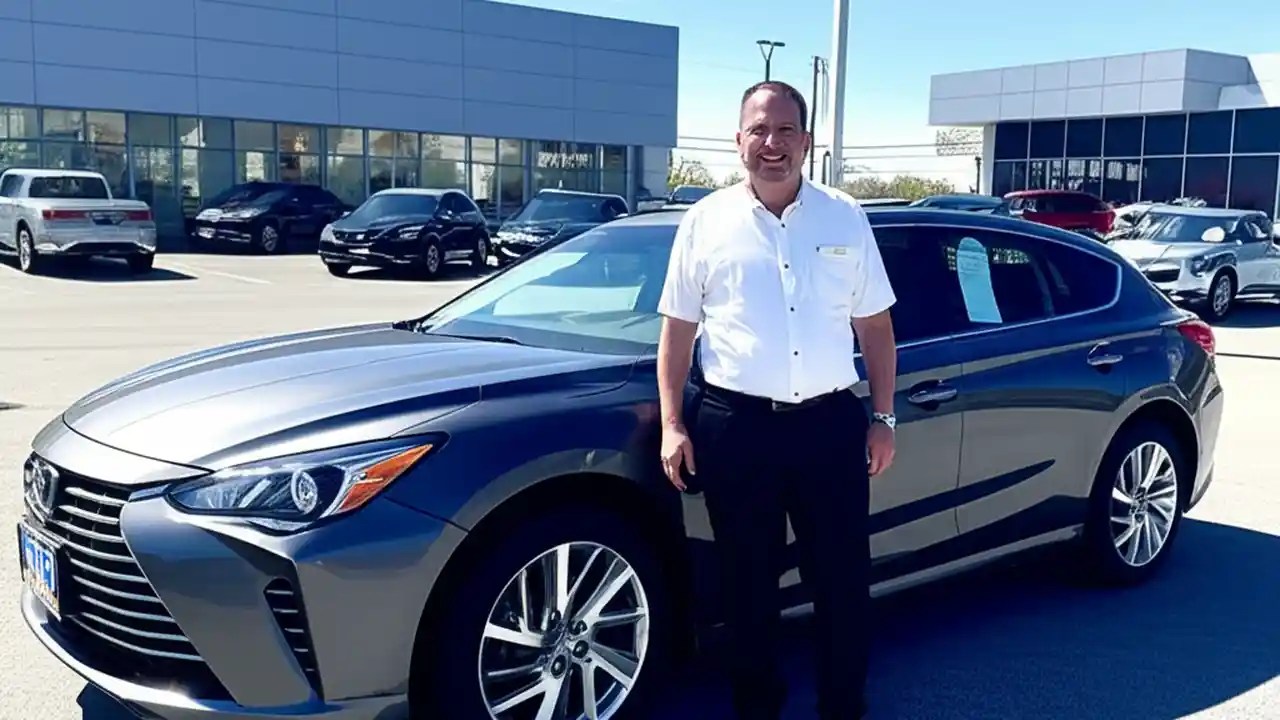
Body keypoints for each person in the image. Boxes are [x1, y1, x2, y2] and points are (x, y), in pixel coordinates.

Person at [655, 80, 899, 720]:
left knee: (842, 584)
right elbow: (677, 331)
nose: (772, 144)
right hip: (737, 431)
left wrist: (883, 416)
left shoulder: (844, 215)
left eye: (785, 130)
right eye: (759, 131)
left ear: (806, 142)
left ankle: (843, 707)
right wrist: (673, 425)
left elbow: (875, 326)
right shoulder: (704, 222)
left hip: (830, 429)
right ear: (738, 142)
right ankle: (757, 709)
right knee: (747, 590)